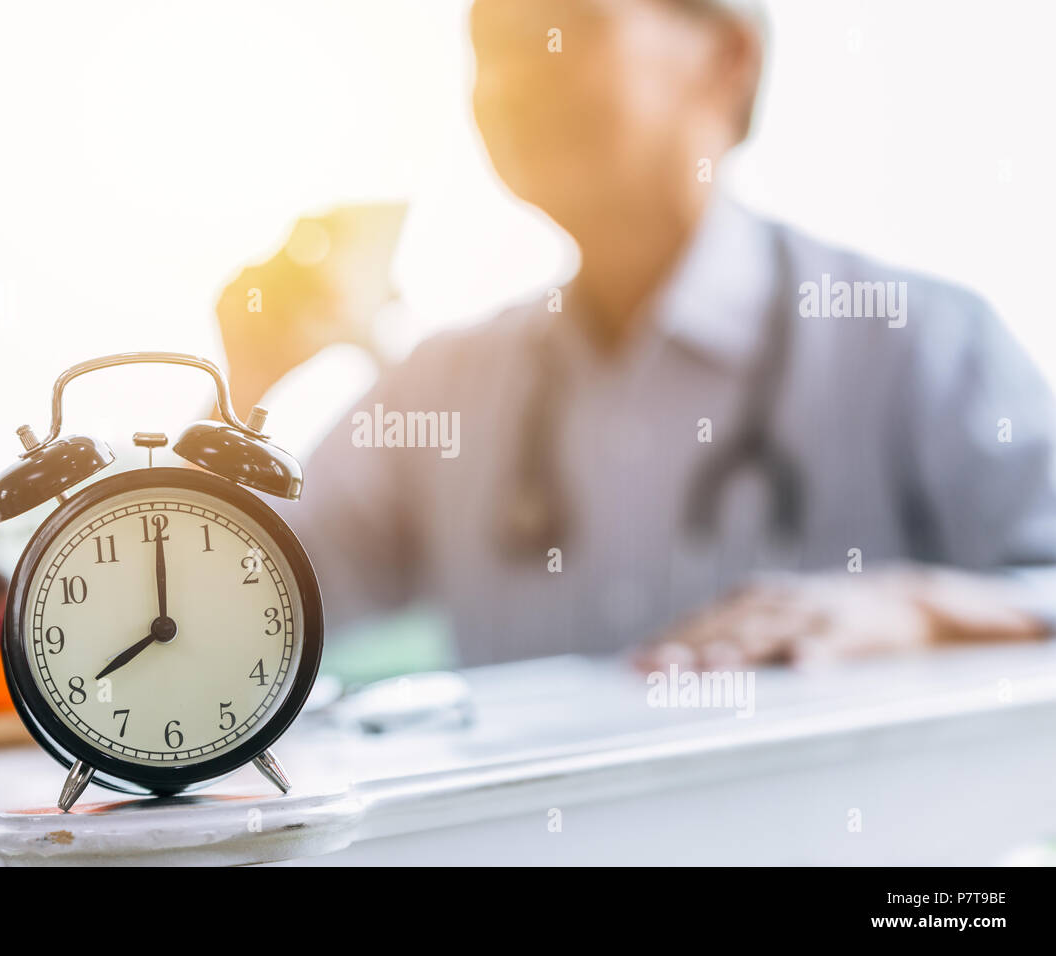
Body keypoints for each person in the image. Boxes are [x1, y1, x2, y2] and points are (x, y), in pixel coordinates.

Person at [214, 0, 1056, 669]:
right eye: (487, 44)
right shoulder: (441, 389)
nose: (505, 81)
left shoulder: (920, 345)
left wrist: (919, 610)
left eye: (559, 24)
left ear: (729, 57)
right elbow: (226, 617)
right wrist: (241, 402)